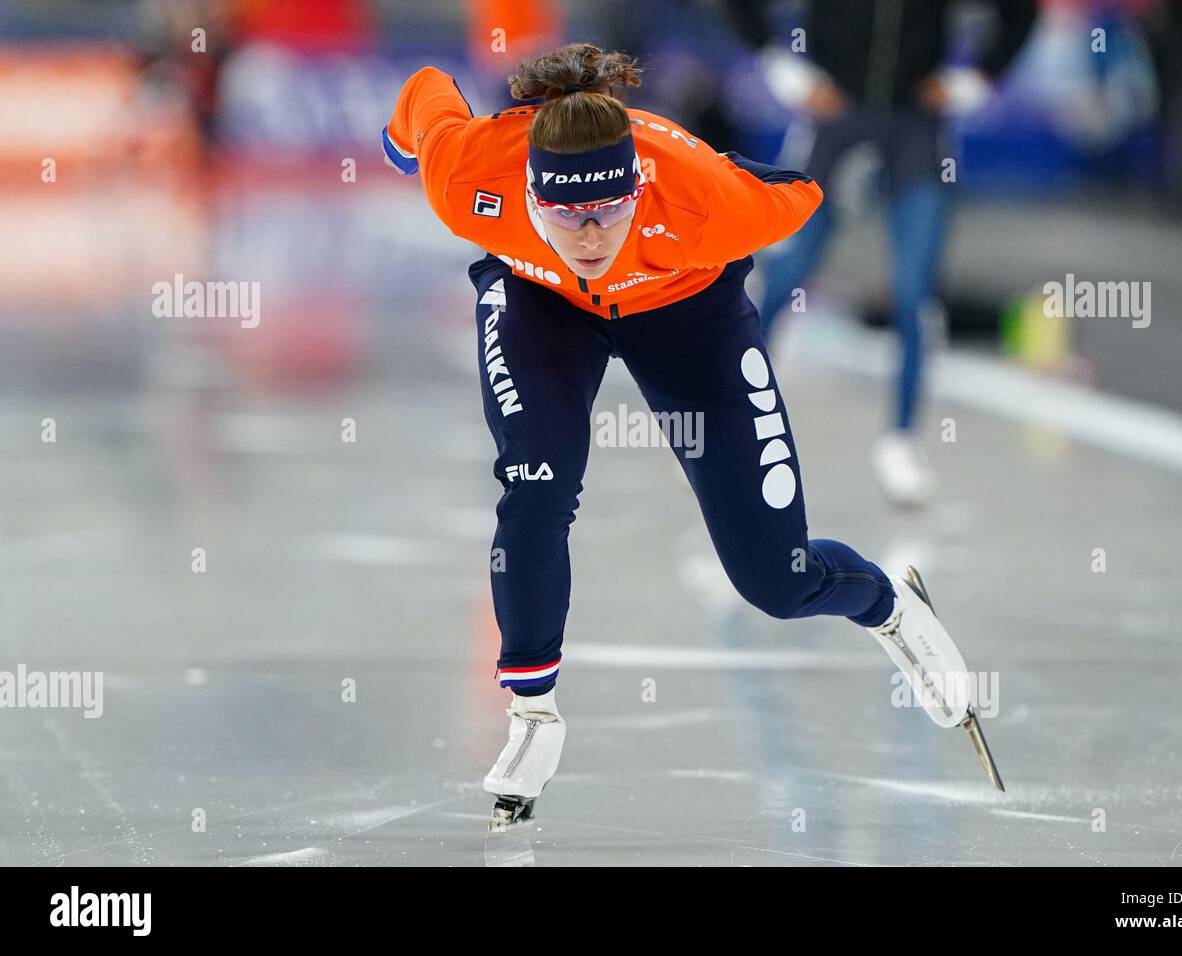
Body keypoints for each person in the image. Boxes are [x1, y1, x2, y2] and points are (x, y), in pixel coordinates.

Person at [382, 43, 984, 830]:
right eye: (567, 212)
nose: (593, 234)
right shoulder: (469, 177)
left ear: (639, 190)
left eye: (612, 210)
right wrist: (399, 143)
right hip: (539, 304)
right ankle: (533, 713)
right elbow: (425, 90)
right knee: (535, 484)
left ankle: (887, 606)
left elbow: (802, 190)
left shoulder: (708, 199)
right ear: (528, 192)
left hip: (687, 315)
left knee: (778, 580)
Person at [725, 0, 1038, 506]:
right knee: (784, 276)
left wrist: (978, 78)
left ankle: (902, 439)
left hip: (916, 121)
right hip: (835, 114)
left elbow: (1020, 12)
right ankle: (733, 427)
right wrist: (781, 66)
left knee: (914, 290)